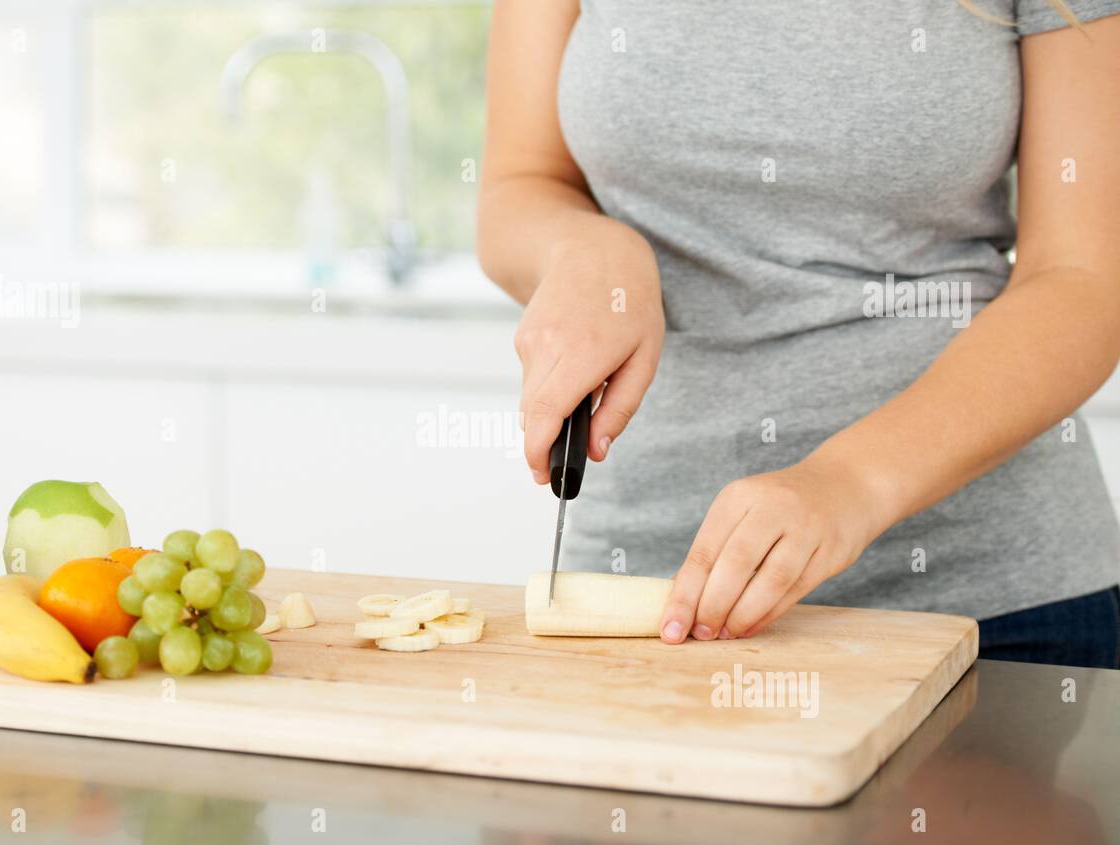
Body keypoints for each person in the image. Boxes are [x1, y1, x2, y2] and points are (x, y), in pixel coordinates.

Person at [477, 1, 1120, 667]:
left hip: (994, 604)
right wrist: (581, 249)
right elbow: (519, 182)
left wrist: (852, 481)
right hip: (644, 586)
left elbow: (1081, 278)